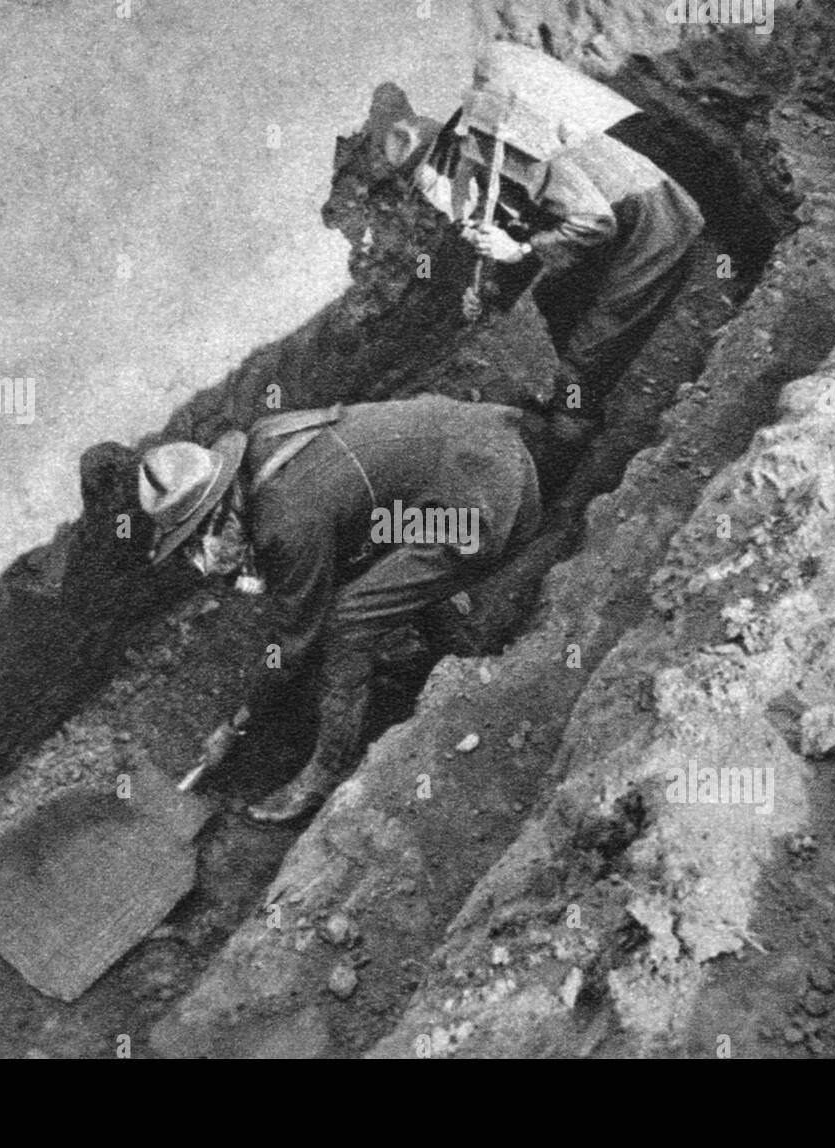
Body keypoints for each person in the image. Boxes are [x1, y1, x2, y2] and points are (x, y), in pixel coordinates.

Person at [137, 396, 543, 824]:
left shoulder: (288, 521)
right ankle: (458, 650)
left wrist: (238, 722)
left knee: (346, 622)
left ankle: (323, 774)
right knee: (367, 564)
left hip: (484, 501)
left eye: (199, 538)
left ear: (220, 510)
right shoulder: (265, 441)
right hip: (475, 451)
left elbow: (295, 644)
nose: (202, 557)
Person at [375, 45, 705, 435]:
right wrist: (491, 295)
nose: (430, 195)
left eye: (424, 180)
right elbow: (527, 223)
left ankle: (569, 432)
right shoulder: (479, 163)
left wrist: (522, 250)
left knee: (593, 344)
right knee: (554, 299)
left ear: (440, 154)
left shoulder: (504, 146)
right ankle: (572, 400)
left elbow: (595, 222)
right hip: (614, 220)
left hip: (654, 227)